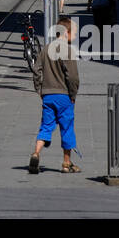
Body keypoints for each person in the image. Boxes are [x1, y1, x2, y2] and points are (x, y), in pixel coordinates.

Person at [29, 16, 80, 174]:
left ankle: (36, 153)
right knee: (67, 128)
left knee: (46, 126)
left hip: (48, 95)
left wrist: (39, 89)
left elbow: (37, 70)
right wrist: (73, 94)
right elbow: (72, 77)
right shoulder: (68, 50)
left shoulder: (46, 49)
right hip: (64, 96)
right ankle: (66, 163)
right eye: (75, 33)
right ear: (67, 33)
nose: (76, 36)